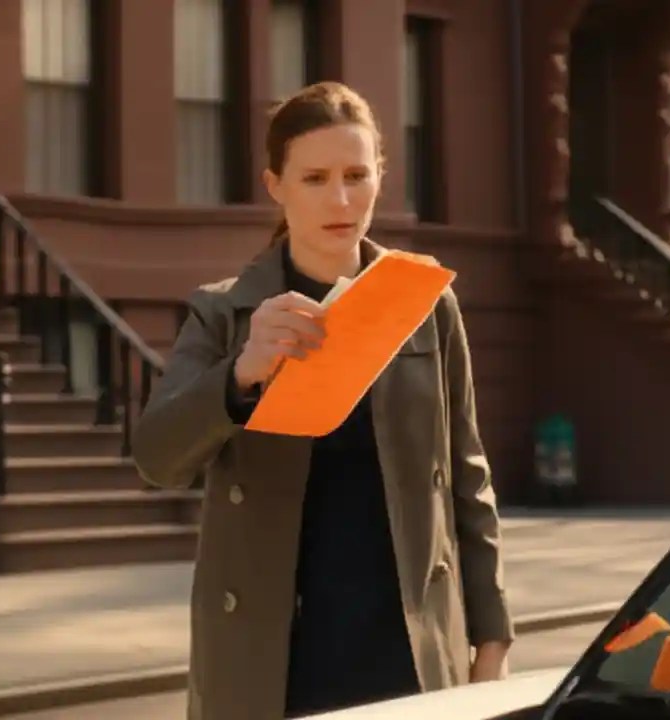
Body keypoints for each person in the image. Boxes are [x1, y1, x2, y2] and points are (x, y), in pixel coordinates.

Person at [131, 81, 514, 720]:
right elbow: (156, 458)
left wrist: (492, 637)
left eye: (356, 175)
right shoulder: (223, 311)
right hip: (274, 657)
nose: (340, 200)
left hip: (410, 646)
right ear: (274, 184)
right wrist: (242, 373)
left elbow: (468, 480)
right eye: (314, 178)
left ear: (380, 178)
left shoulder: (422, 301)